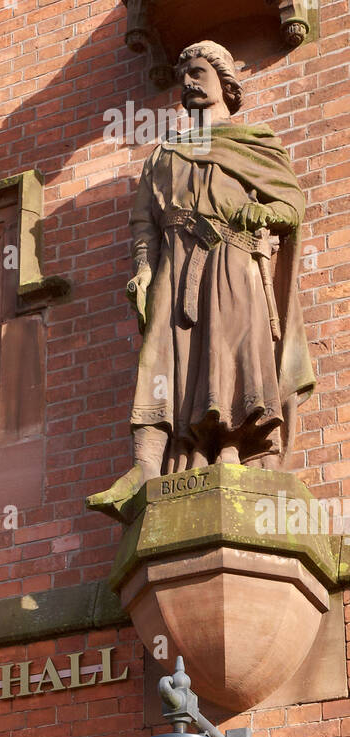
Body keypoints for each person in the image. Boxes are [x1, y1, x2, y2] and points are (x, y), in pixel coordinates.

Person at [88, 40, 314, 520]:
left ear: (225, 83)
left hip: (232, 258)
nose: (189, 80)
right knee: (162, 359)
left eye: (199, 72)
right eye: (184, 73)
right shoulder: (164, 154)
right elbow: (144, 224)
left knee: (233, 356)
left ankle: (233, 448)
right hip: (177, 266)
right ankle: (146, 466)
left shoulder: (254, 143)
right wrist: (144, 270)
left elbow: (290, 207)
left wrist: (259, 212)